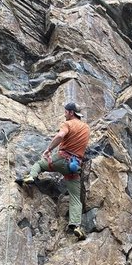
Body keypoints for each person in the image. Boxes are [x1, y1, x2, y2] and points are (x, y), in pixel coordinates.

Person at [16, 102, 91, 240]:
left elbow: (60, 136)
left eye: (66, 112)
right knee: (75, 197)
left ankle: (31, 177)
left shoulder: (68, 124)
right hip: (74, 166)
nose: (64, 114)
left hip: (62, 159)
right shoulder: (86, 128)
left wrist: (49, 149)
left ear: (71, 113)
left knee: (40, 164)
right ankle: (76, 225)